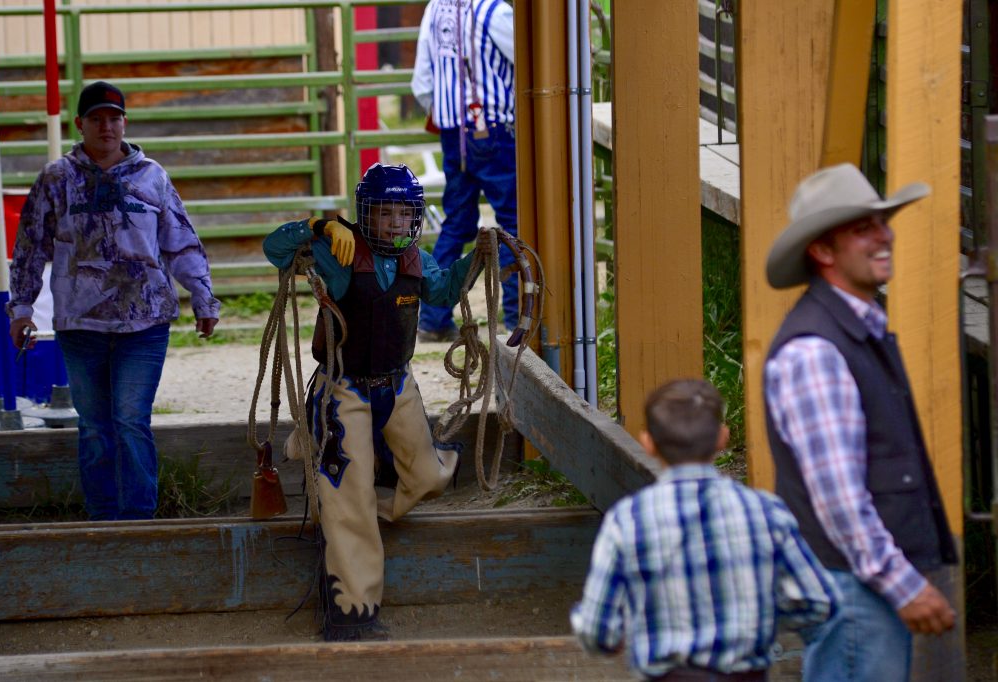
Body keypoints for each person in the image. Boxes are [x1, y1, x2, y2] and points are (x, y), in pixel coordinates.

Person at [263, 163, 491, 641]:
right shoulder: (340, 252)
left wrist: (479, 259)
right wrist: (317, 226)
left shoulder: (416, 259)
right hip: (345, 386)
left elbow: (446, 289)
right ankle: (354, 610)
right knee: (349, 500)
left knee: (427, 478)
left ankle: (358, 499)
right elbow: (275, 249)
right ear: (367, 214)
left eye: (401, 214)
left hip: (398, 384)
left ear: (413, 217)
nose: (392, 224)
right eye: (383, 213)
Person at [762, 163, 959, 681]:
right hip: (850, 585)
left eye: (883, 223)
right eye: (862, 228)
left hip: (853, 583)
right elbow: (839, 497)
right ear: (823, 252)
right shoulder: (816, 350)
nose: (884, 235)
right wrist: (903, 583)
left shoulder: (848, 331)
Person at [7, 81, 220, 521]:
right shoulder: (55, 179)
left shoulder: (153, 177)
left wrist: (203, 298)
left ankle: (139, 519)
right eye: (97, 119)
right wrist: (22, 309)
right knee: (94, 428)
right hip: (79, 326)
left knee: (129, 420)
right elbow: (30, 247)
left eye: (114, 118)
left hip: (144, 326)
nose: (106, 126)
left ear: (125, 122)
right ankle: (102, 520)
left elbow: (180, 242)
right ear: (79, 124)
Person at [571, 378, 838, 681]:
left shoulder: (627, 520)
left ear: (648, 443)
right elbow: (819, 602)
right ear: (722, 438)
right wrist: (765, 614)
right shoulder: (765, 512)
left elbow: (598, 631)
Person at [411, 0, 519, 342]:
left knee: (456, 222)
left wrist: (446, 115)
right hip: (494, 130)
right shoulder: (495, 13)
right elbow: (532, 62)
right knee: (515, 222)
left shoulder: (435, 8)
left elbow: (422, 82)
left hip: (451, 132)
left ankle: (433, 317)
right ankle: (517, 315)